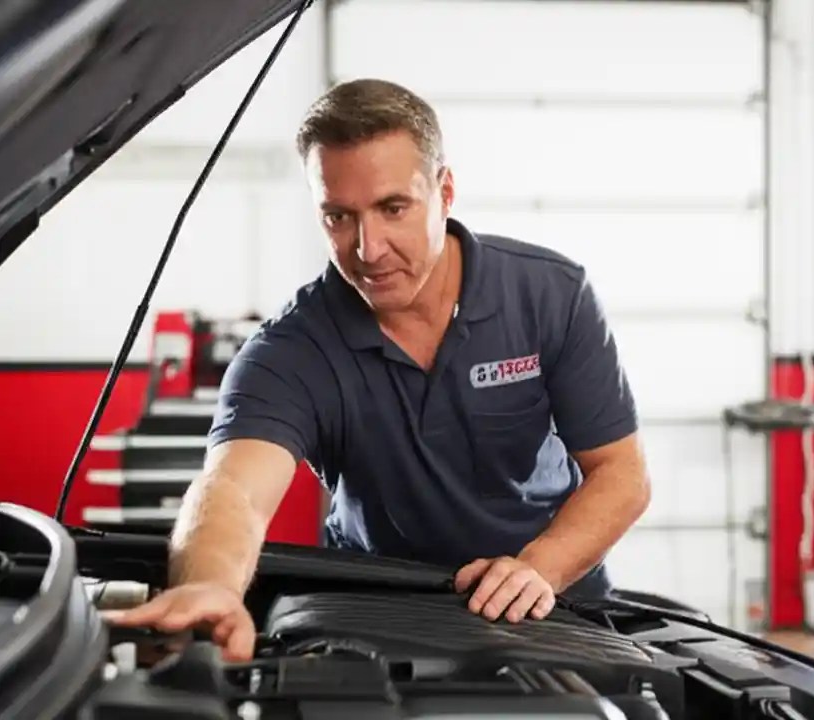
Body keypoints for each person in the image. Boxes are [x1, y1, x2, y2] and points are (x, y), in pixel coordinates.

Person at [103, 78, 652, 662]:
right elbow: (233, 489)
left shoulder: (548, 295)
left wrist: (539, 567)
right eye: (339, 217)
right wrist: (210, 586)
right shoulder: (291, 351)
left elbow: (620, 473)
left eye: (393, 209)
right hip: (380, 615)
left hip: (552, 603)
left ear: (445, 191)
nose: (368, 248)